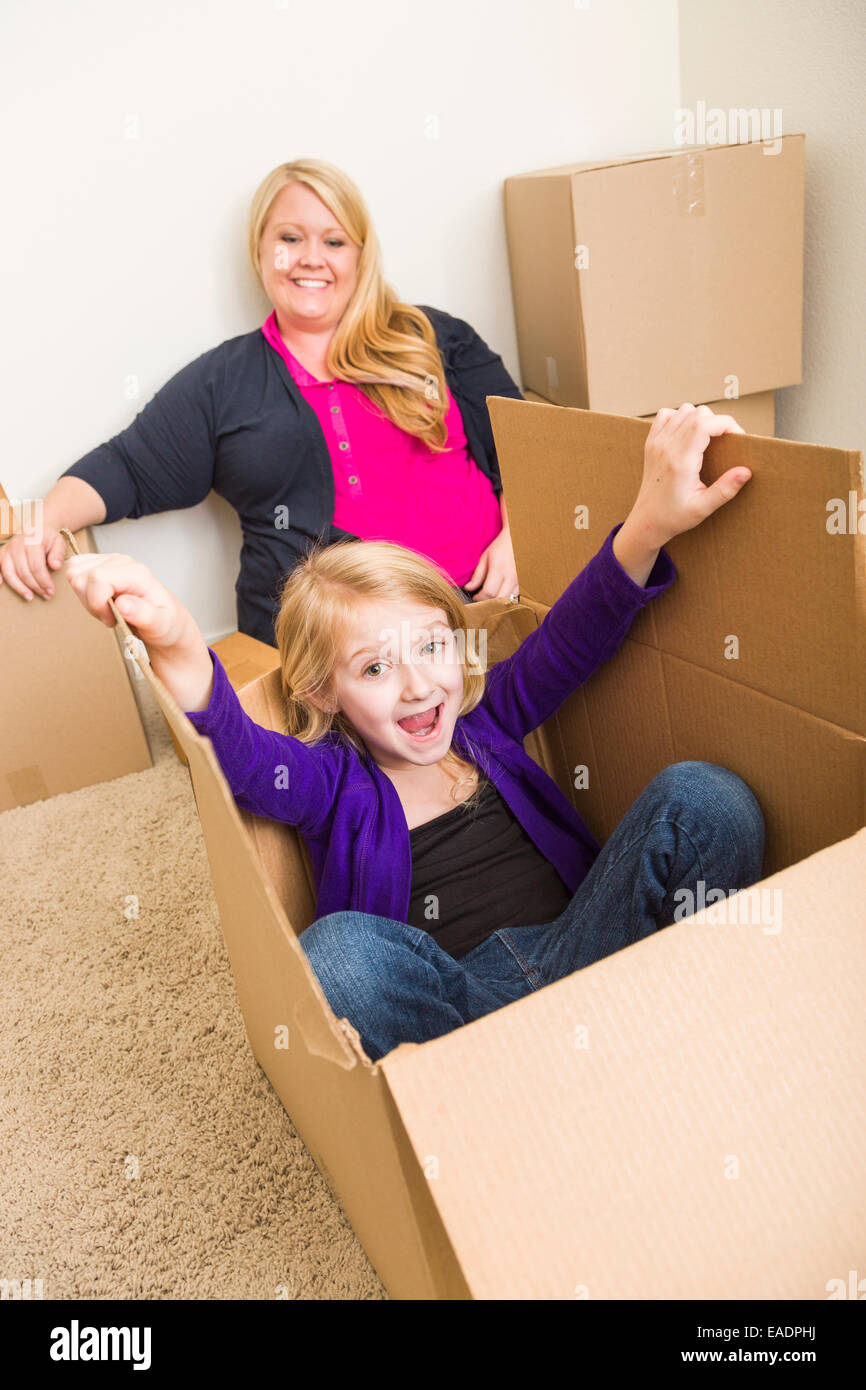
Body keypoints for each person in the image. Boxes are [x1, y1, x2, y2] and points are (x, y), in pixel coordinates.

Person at [64, 404, 765, 1063]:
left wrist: (649, 523)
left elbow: (571, 639)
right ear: (322, 694)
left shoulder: (484, 722)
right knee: (335, 956)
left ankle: (676, 1013)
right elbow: (244, 760)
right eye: (374, 666)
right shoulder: (330, 783)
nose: (419, 684)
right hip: (466, 1014)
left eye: (432, 647)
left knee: (703, 795)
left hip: (592, 952)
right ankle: (515, 1092)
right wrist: (182, 644)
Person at [0, 159, 523, 646]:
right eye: (289, 238)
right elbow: (127, 467)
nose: (311, 258)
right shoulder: (224, 381)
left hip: (473, 612)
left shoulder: (434, 337)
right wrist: (42, 520)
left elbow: (527, 450)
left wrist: (520, 538)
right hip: (324, 650)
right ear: (259, 251)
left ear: (361, 255)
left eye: (334, 241)